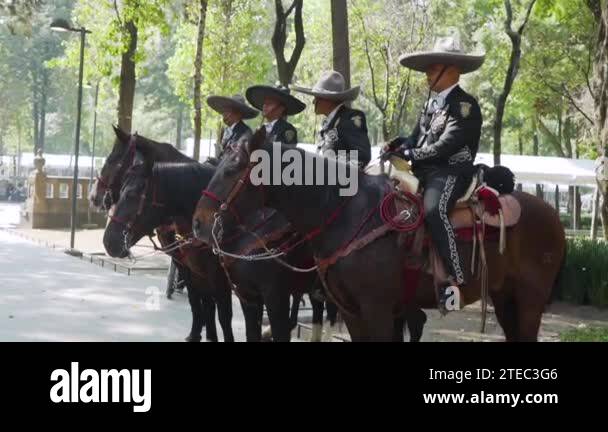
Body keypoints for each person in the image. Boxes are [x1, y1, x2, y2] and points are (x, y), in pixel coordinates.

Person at [382, 32, 485, 314]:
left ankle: (456, 279)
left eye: (432, 69)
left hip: (451, 172)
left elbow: (445, 146)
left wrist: (412, 154)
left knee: (432, 211)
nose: (427, 75)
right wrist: (398, 145)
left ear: (451, 70)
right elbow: (416, 139)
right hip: (424, 172)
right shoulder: (431, 104)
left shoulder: (465, 106)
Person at [293, 70, 371, 168]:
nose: (313, 102)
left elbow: (362, 156)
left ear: (327, 99)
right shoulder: (330, 123)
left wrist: (330, 168)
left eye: (317, 97)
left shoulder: (349, 118)